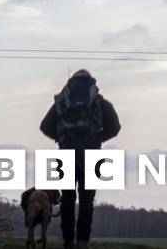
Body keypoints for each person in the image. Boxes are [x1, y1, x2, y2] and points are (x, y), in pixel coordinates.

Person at [39, 70, 121, 249]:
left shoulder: (61, 103)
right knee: (87, 201)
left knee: (67, 199)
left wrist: (60, 138)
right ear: (91, 84)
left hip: (66, 154)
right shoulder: (100, 103)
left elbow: (44, 126)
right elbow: (115, 127)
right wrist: (99, 138)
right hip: (91, 155)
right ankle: (83, 241)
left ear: (70, 84)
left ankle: (68, 240)